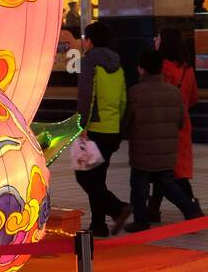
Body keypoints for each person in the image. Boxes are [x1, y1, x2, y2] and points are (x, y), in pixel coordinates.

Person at [122, 49, 201, 232]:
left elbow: (127, 121)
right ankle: (191, 211)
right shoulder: (174, 92)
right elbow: (180, 120)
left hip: (142, 150)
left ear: (142, 69)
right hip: (167, 150)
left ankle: (142, 221)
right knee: (168, 184)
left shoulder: (135, 92)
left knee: (139, 187)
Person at [75, 20, 130, 236]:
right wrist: (119, 127)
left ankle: (118, 208)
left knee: (84, 176)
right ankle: (98, 225)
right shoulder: (117, 64)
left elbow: (86, 96)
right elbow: (123, 99)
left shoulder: (89, 62)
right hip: (112, 130)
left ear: (89, 41)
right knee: (97, 179)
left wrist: (82, 125)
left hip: (93, 130)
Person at [149, 27, 200, 221]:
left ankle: (192, 208)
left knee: (168, 171)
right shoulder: (188, 69)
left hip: (163, 125)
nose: (155, 40)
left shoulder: (162, 68)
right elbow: (193, 98)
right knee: (170, 169)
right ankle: (153, 210)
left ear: (165, 42)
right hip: (183, 124)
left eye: (158, 37)